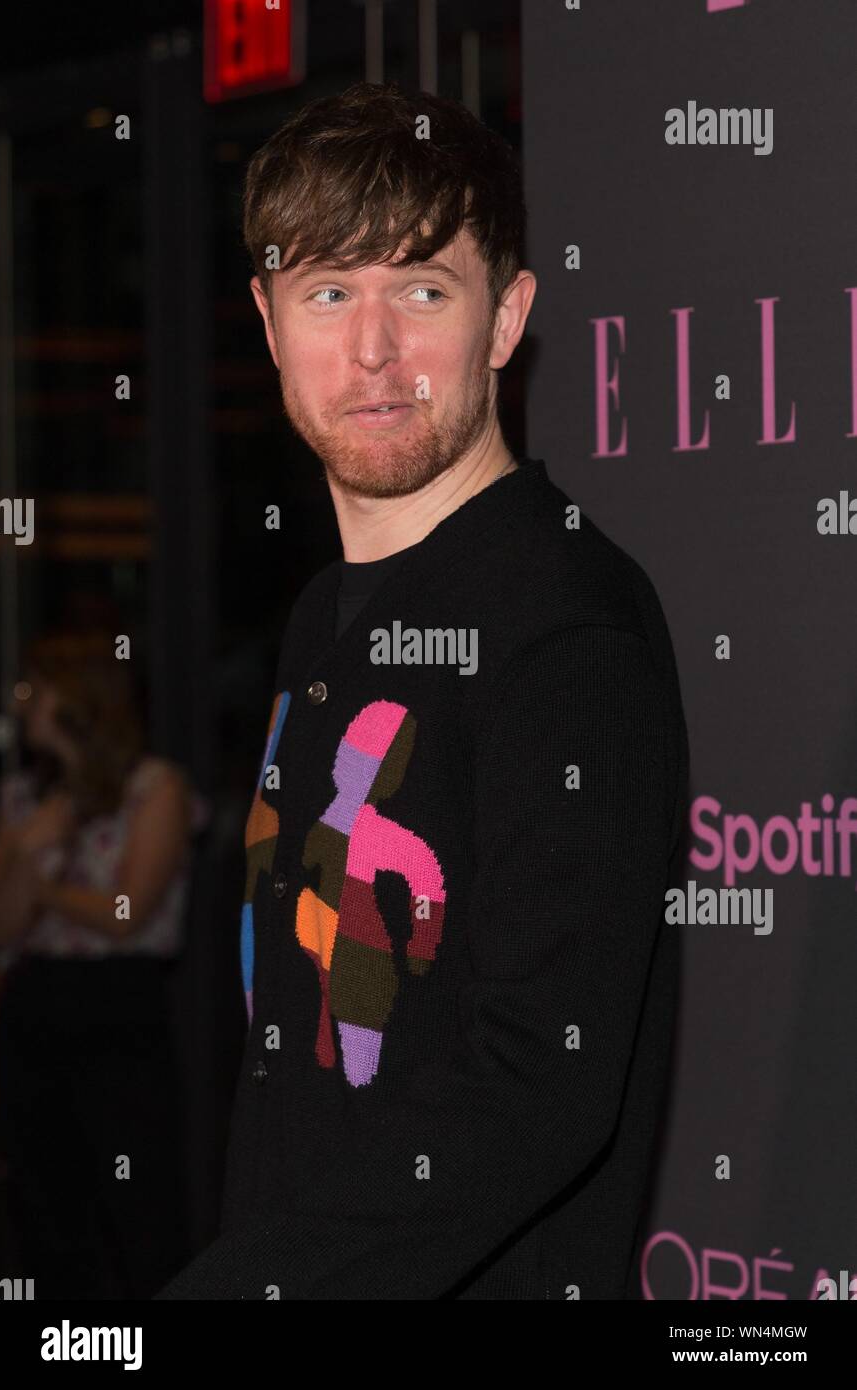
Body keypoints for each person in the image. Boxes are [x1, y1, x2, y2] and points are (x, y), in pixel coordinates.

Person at [156, 79, 690, 1301]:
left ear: (505, 318)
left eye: (423, 289)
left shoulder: (566, 627)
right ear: (268, 318)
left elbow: (538, 1091)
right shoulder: (317, 619)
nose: (373, 349)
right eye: (328, 292)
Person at [0, 630, 206, 1298]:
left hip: (117, 1009)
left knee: (137, 1203)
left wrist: (42, 881)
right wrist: (23, 851)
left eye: (38, 688)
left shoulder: (155, 786)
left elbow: (128, 914)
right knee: (44, 1207)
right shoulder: (26, 798)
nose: (24, 704)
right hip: (35, 1008)